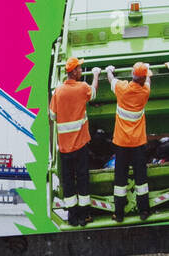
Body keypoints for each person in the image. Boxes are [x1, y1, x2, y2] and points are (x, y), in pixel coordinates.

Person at [103, 61, 167, 222]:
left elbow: (111, 79)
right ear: (143, 77)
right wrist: (148, 68)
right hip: (138, 144)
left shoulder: (122, 89)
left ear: (133, 75)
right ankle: (144, 211)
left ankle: (118, 213)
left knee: (120, 179)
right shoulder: (144, 91)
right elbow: (148, 81)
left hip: (122, 143)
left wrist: (109, 70)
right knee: (141, 179)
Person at [49, 57, 99, 226]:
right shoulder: (82, 87)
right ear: (74, 72)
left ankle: (72, 217)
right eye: (79, 68)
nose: (81, 70)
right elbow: (93, 93)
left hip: (64, 148)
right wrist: (96, 75)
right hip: (80, 144)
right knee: (83, 178)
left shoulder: (58, 91)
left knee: (69, 181)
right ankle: (85, 216)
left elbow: (53, 116)